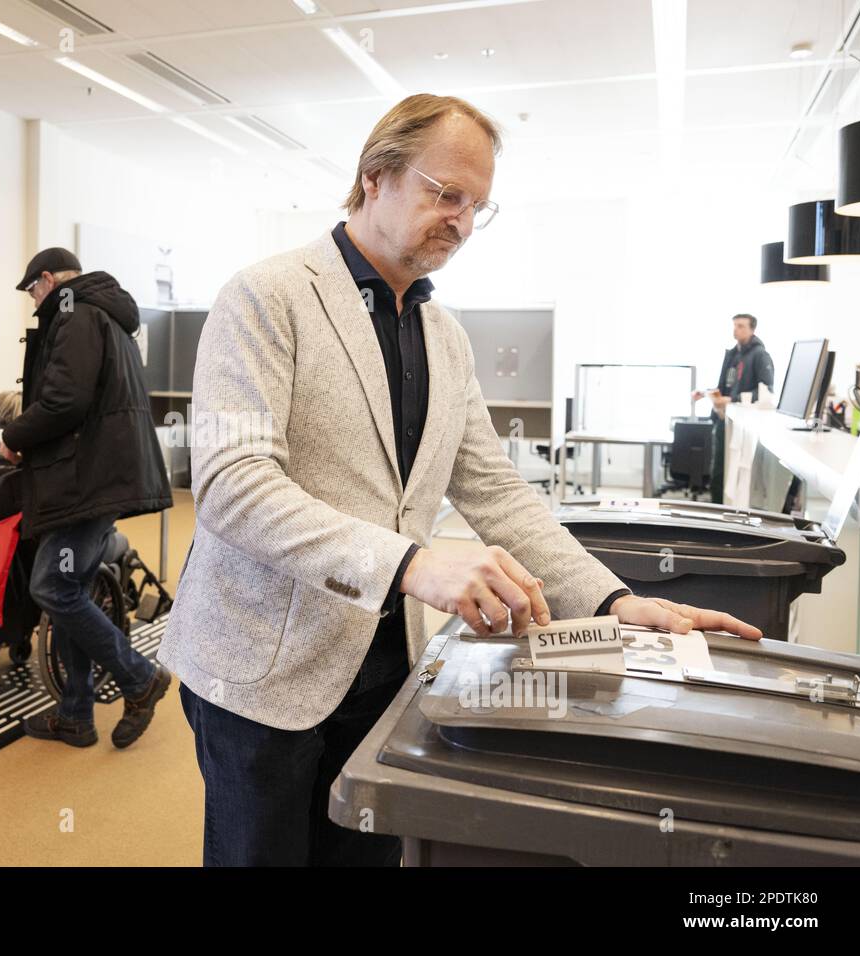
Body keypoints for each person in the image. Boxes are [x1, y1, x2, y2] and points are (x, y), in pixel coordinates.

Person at [156, 94, 764, 867]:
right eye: (447, 194)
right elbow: (233, 484)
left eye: (478, 205)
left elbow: (499, 495)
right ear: (375, 176)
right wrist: (413, 562)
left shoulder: (443, 335)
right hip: (260, 672)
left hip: (382, 674)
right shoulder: (268, 296)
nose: (463, 221)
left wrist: (615, 600)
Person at [1, 247, 173, 749]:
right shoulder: (107, 315)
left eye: (33, 291)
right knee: (69, 587)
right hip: (93, 477)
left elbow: (64, 400)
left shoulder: (74, 313)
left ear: (47, 279)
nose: (34, 302)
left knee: (53, 586)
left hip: (86, 479)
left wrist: (14, 436)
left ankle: (139, 677)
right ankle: (76, 712)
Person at [691, 313, 774, 503]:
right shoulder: (732, 355)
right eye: (734, 325)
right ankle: (716, 511)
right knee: (718, 471)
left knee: (733, 474)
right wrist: (705, 393)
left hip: (743, 426)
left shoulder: (760, 356)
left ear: (752, 329)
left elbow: (766, 390)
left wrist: (733, 399)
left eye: (741, 326)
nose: (736, 330)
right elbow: (724, 387)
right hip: (723, 420)